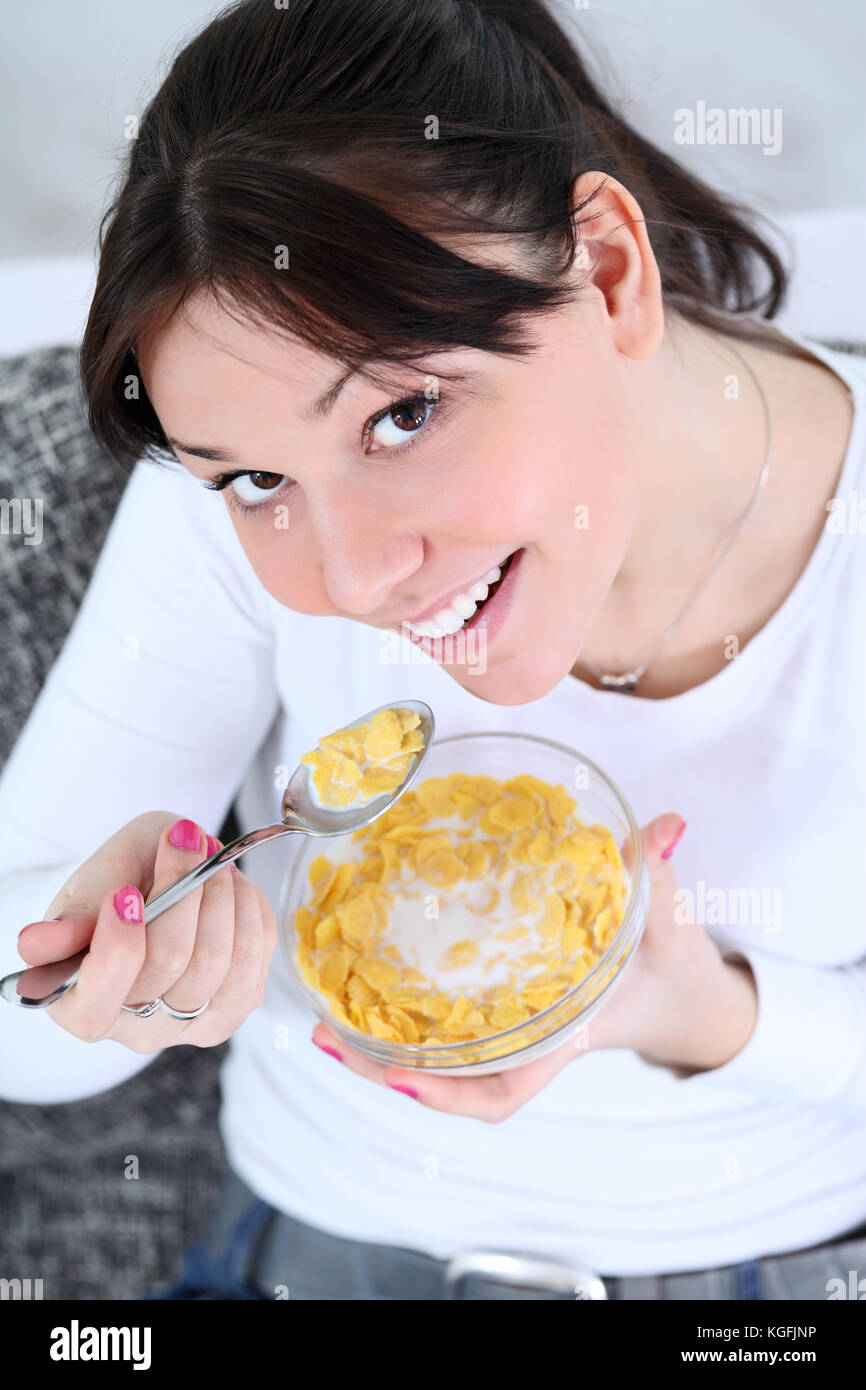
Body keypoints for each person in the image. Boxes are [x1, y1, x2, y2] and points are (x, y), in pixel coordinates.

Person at [2, 0, 865, 1300]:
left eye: (401, 413)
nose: (345, 577)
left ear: (609, 270)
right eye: (250, 481)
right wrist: (123, 985)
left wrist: (710, 1010)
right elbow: (20, 1023)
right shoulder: (218, 520)